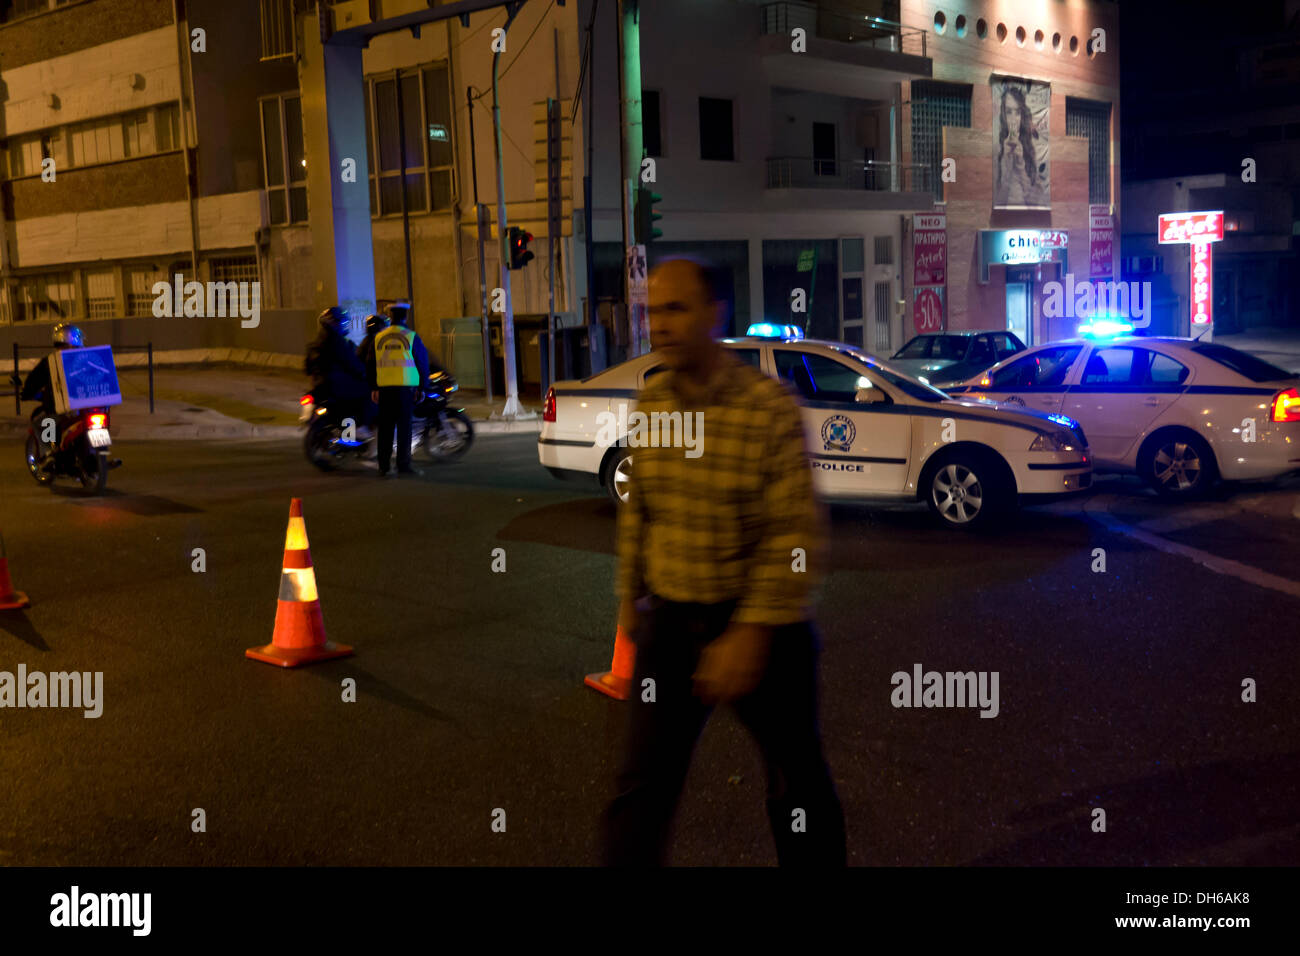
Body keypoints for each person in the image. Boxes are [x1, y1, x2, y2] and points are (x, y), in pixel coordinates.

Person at [601, 258, 846, 867]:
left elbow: (793, 532)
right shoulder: (653, 404)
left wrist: (750, 632)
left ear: (715, 315)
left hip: (764, 633)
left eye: (676, 309)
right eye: (652, 312)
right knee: (641, 790)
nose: (660, 325)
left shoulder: (766, 408)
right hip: (671, 625)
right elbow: (640, 507)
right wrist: (627, 593)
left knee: (798, 788)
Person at [366, 301, 430, 477]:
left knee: (385, 429)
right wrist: (423, 387)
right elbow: (422, 363)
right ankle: (403, 465)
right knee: (404, 428)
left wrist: (374, 387)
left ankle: (384, 467)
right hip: (405, 390)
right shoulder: (410, 336)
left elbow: (370, 364)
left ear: (391, 317)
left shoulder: (379, 337)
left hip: (385, 390)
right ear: (405, 316)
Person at [21, 322, 84, 473]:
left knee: (42, 422)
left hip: (62, 411)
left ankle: (48, 454)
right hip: (87, 409)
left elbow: (33, 381)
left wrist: (26, 393)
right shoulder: (87, 358)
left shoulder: (51, 362)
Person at [306, 307, 371, 427]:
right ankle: (362, 426)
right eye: (342, 322)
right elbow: (351, 362)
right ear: (333, 322)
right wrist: (364, 372)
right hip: (335, 384)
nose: (344, 325)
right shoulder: (336, 340)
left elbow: (308, 367)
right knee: (368, 390)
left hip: (320, 384)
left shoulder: (318, 340)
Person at [995, 86, 1045, 207]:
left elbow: (1037, 200)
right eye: (1008, 112)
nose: (1013, 120)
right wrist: (1006, 161)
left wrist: (1020, 164)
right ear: (1003, 115)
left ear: (1022, 116)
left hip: (1027, 219)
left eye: (1017, 113)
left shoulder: (1029, 147)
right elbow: (997, 201)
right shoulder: (997, 149)